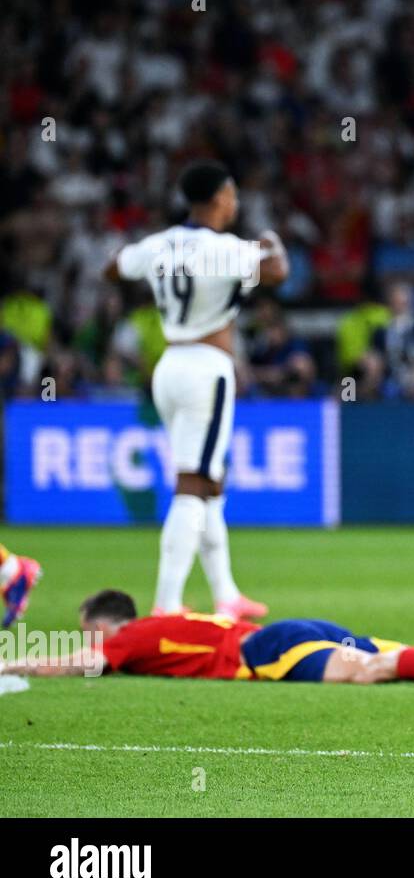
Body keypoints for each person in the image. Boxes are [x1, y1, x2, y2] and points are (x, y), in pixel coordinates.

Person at [104, 161, 290, 621]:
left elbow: (114, 267)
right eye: (232, 195)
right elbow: (279, 272)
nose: (235, 203)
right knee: (192, 482)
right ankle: (166, 604)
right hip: (207, 367)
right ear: (220, 197)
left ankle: (226, 592)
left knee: (209, 479)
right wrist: (271, 241)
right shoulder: (225, 248)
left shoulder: (159, 243)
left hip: (169, 364)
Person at [1, 589, 414, 689]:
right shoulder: (176, 617)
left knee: (368, 672)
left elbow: (89, 661)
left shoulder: (131, 637)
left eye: (96, 633)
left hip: (264, 649)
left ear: (109, 623)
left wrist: (20, 659)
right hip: (287, 629)